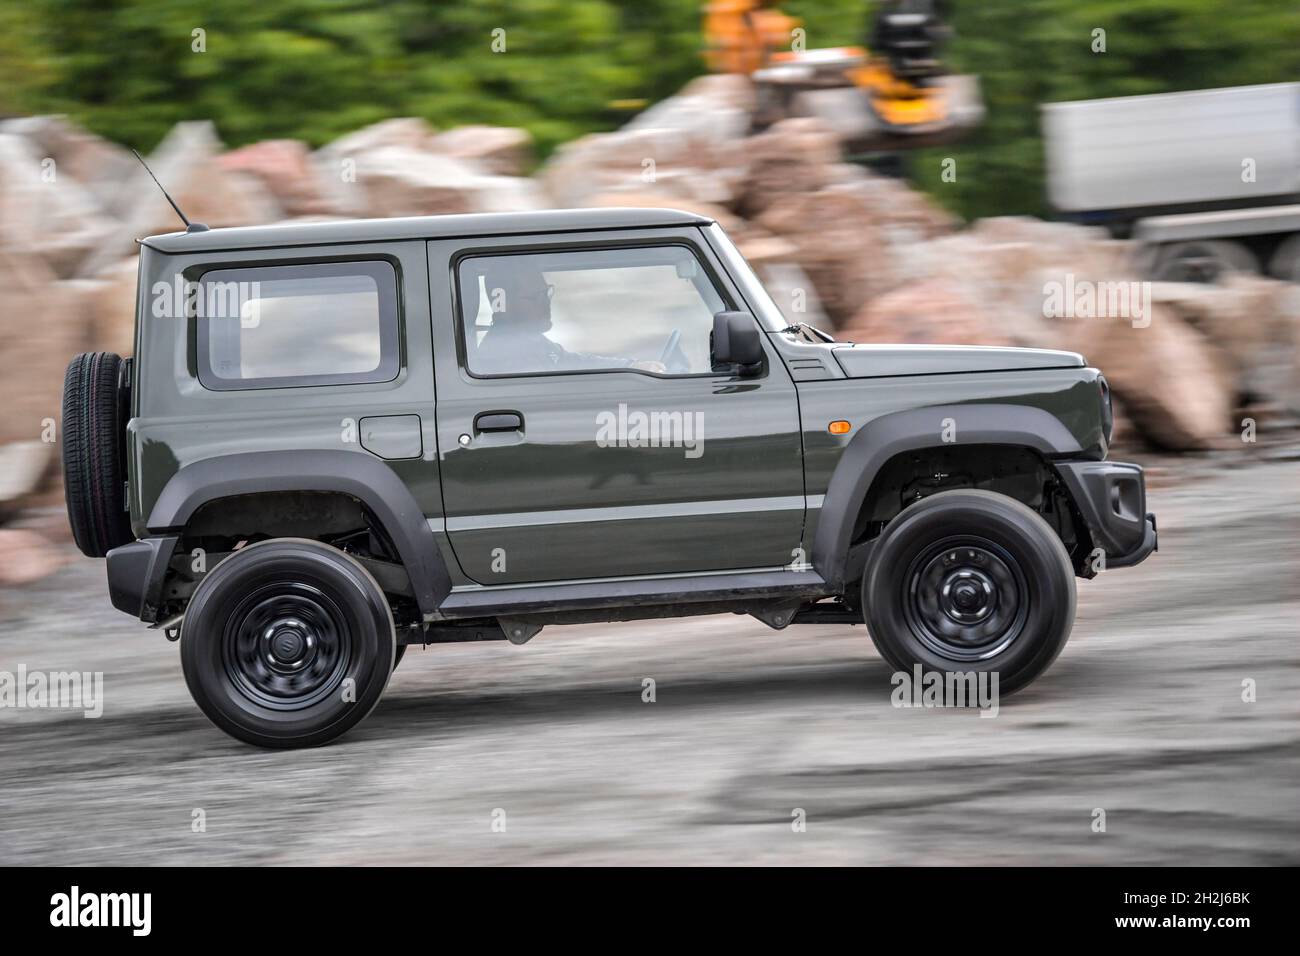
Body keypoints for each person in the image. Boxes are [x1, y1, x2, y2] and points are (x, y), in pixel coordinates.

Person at [474, 266, 665, 375]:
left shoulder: (529, 341)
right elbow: (561, 385)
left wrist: (629, 367)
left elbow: (572, 361)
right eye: (535, 297)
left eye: (546, 293)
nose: (546, 303)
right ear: (504, 304)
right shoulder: (503, 356)